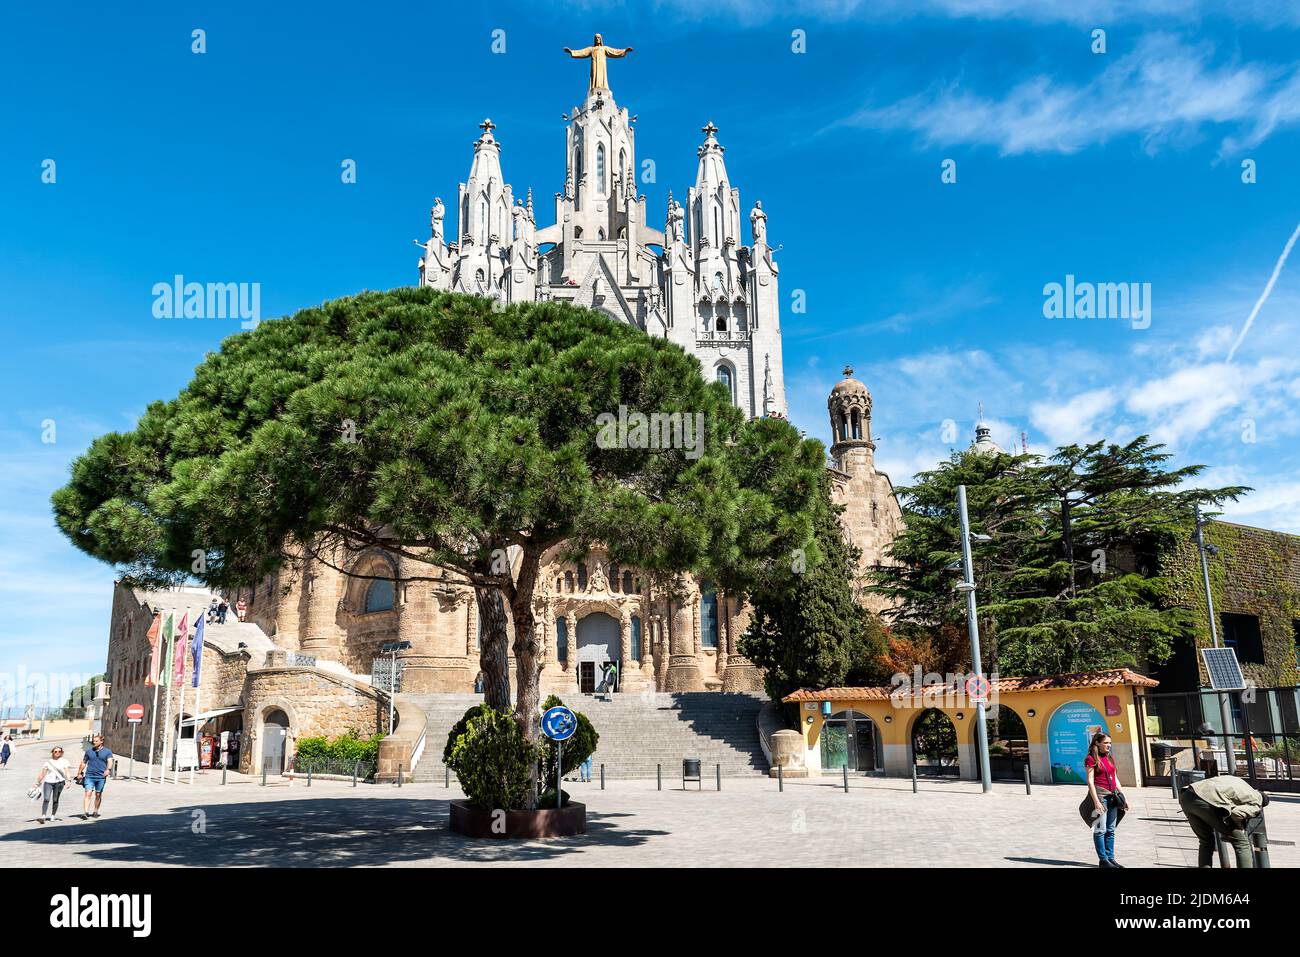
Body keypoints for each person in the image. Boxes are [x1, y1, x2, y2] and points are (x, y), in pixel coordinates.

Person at [1178, 772, 1266, 868]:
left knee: (1206, 841)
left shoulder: (1241, 783)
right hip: (1206, 800)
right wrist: (1237, 828)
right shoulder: (1257, 802)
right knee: (1241, 843)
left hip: (1187, 795)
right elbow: (1235, 813)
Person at [1084, 732, 1127, 868]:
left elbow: (1115, 778)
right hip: (1101, 797)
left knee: (1111, 829)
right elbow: (1090, 782)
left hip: (1113, 797)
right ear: (1097, 743)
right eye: (1106, 742)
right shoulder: (1091, 759)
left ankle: (1111, 858)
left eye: (1110, 742)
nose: (1109, 745)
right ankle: (1103, 860)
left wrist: (1123, 796)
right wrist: (1096, 802)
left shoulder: (1109, 758)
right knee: (1100, 830)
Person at [77, 734, 115, 819]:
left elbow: (110, 761)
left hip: (101, 777)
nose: (94, 742)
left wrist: (108, 770)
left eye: (96, 741)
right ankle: (85, 812)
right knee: (88, 793)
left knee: (98, 794)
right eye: (94, 741)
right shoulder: (89, 751)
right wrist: (79, 773)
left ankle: (95, 810)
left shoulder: (107, 751)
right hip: (89, 776)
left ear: (101, 741)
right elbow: (84, 762)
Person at [34, 746, 73, 823]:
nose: (57, 753)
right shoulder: (48, 762)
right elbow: (42, 774)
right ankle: (43, 816)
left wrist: (68, 781)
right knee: (46, 799)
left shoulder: (65, 761)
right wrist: (37, 783)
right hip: (48, 782)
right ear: (52, 752)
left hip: (60, 782)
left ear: (61, 753)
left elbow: (67, 771)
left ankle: (52, 816)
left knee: (55, 799)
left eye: (59, 751)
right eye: (55, 751)